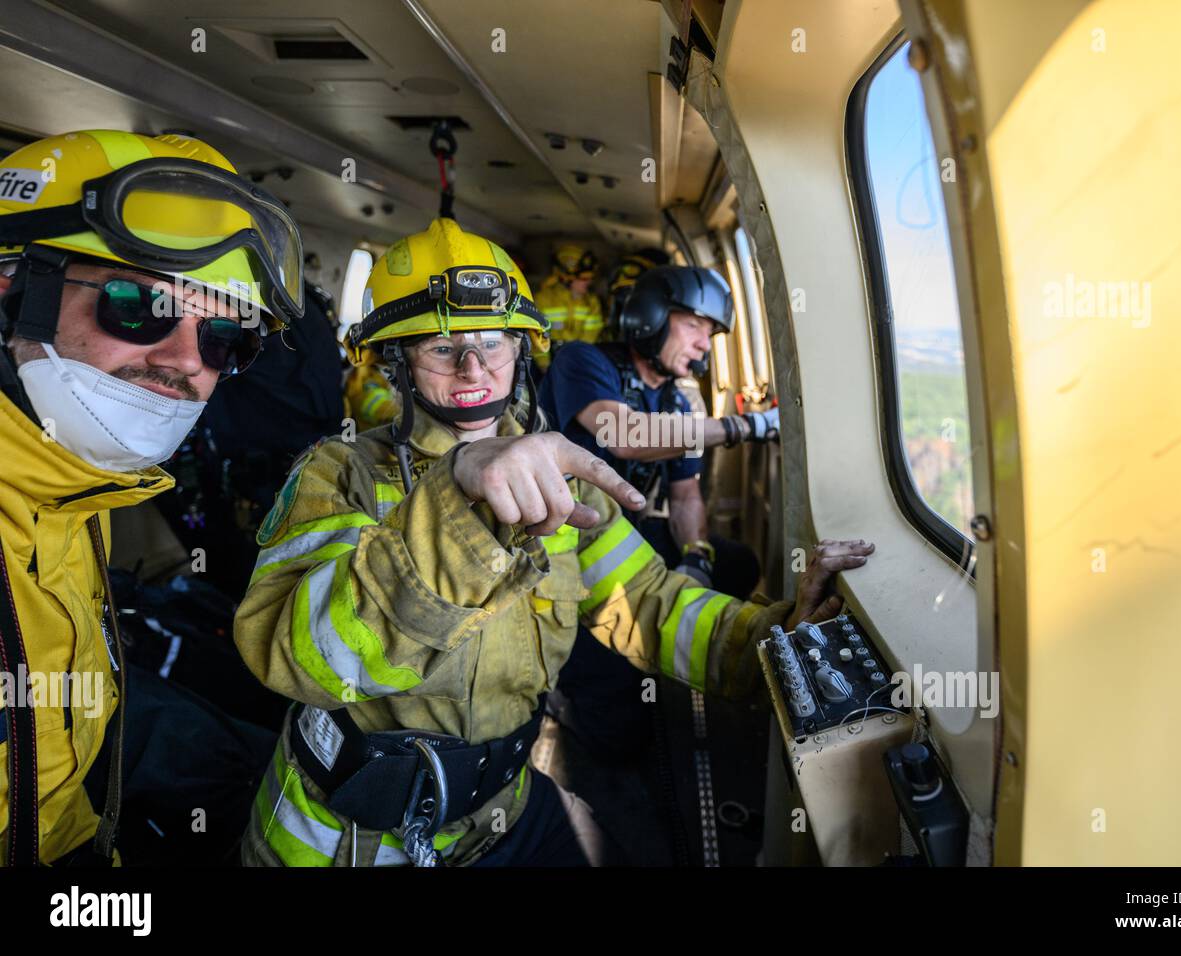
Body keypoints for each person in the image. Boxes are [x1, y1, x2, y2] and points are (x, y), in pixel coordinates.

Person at [233, 218, 872, 866]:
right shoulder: (335, 473)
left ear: (522, 352)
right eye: (442, 348)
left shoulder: (561, 482)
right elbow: (295, 657)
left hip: (501, 806)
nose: (473, 368)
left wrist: (783, 640)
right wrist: (455, 498)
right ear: (398, 361)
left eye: (494, 344)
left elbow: (649, 604)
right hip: (345, 836)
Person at [0, 128, 304, 866]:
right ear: (11, 294)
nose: (184, 364)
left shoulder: (80, 494)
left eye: (223, 338)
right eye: (138, 306)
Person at [536, 264, 780, 757]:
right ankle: (565, 698)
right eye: (695, 326)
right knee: (617, 732)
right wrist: (743, 428)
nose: (705, 345)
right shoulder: (582, 363)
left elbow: (687, 495)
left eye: (710, 334)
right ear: (649, 316)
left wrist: (697, 555)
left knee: (737, 564)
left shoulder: (675, 405)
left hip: (630, 534)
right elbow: (622, 435)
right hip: (561, 545)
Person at [532, 242, 602, 370]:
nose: (589, 282)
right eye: (584, 278)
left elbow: (589, 339)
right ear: (566, 278)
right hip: (548, 362)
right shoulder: (543, 299)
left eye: (590, 278)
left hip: (579, 361)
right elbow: (536, 336)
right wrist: (544, 366)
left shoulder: (592, 303)